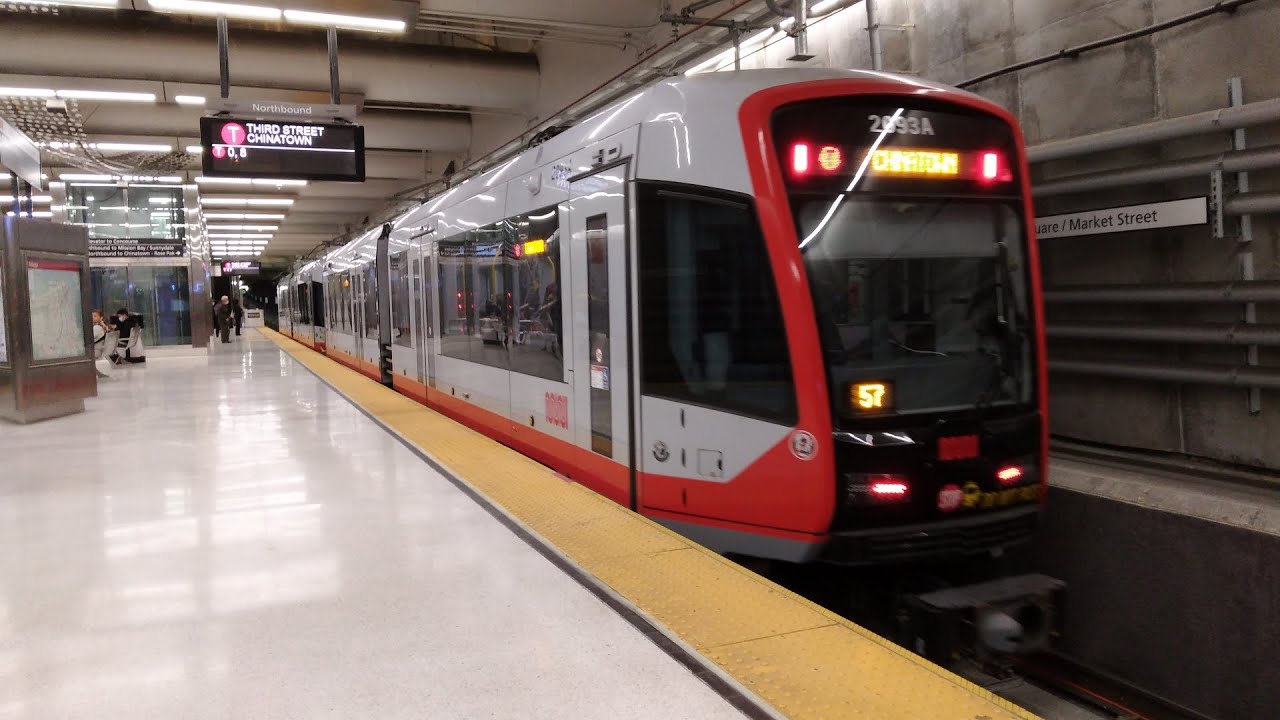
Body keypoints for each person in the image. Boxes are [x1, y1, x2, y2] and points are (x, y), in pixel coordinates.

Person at [90, 309, 113, 378]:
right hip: (98, 350)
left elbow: (89, 339)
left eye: (95, 316)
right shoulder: (102, 327)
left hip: (95, 351)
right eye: (92, 316)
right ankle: (98, 373)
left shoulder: (96, 328)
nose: (92, 318)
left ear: (101, 318)